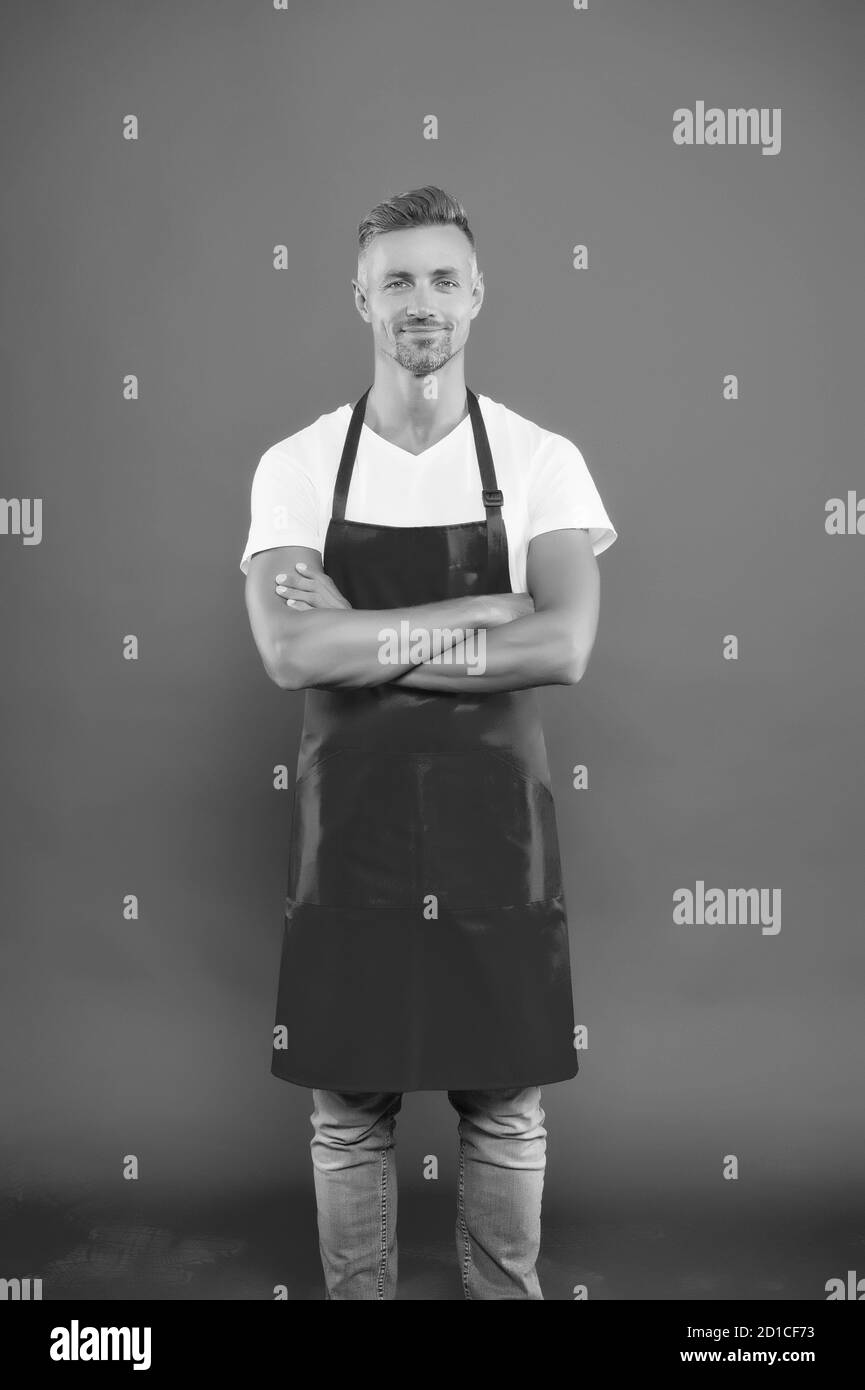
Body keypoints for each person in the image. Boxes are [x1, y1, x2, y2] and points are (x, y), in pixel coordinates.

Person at [241, 185, 617, 1299]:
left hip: (492, 833)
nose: (422, 301)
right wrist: (479, 614)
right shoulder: (299, 464)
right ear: (360, 295)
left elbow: (565, 641)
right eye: (397, 279)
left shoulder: (543, 459)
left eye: (444, 278)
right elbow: (288, 655)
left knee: (504, 1104)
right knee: (347, 1109)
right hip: (347, 830)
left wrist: (359, 632)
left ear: (477, 295)